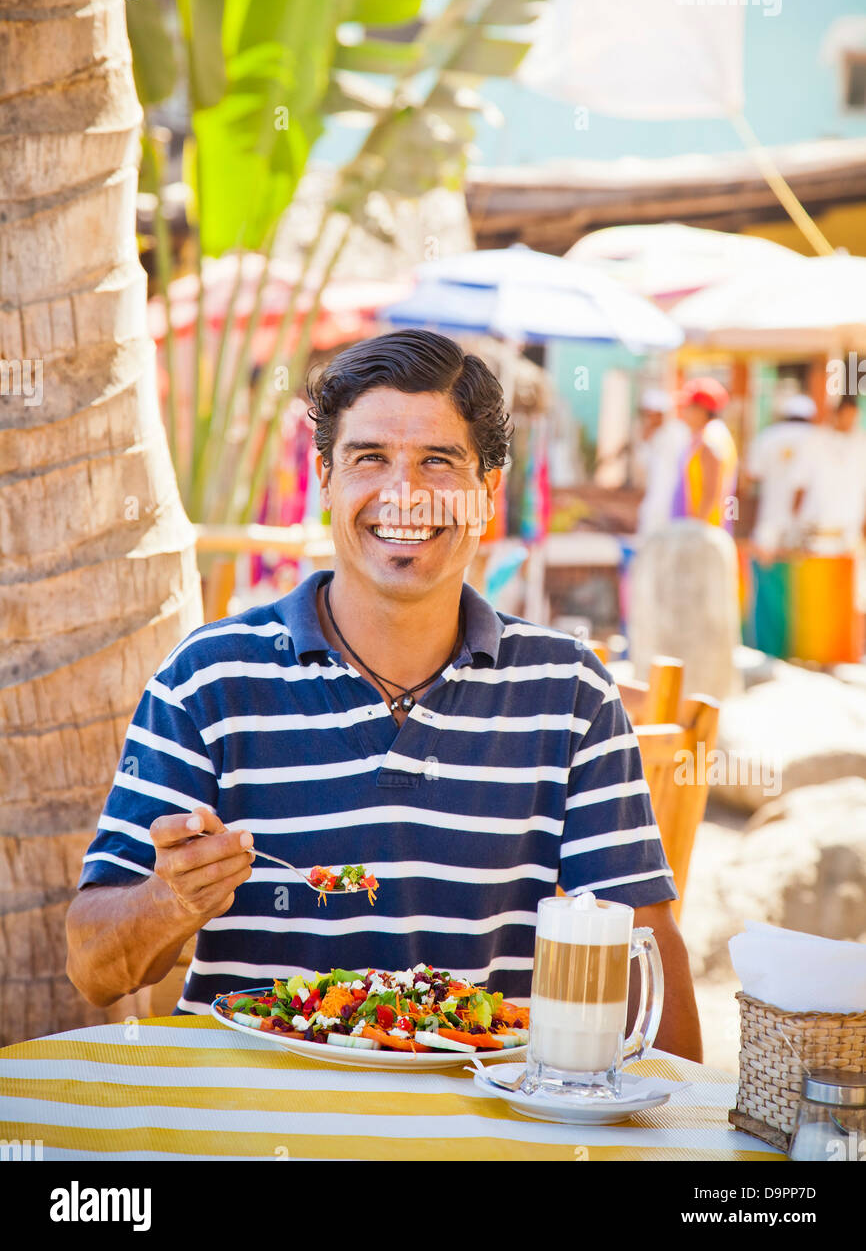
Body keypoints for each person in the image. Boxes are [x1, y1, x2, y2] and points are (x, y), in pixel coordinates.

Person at [66, 330, 702, 1060]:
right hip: (250, 1118)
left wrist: (680, 1129)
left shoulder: (568, 693)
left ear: (487, 493)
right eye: (370, 458)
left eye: (439, 461)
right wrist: (168, 900)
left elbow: (642, 948)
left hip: (483, 1126)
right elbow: (94, 970)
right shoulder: (208, 680)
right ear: (326, 481)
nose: (403, 493)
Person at [743, 393, 818, 561]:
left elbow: (752, 475)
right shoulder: (817, 438)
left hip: (771, 514)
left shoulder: (767, 436)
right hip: (806, 519)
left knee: (767, 567)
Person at [794, 396, 866, 555]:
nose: (850, 422)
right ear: (836, 414)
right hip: (817, 533)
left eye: (853, 417)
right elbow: (799, 486)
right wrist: (796, 527)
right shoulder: (814, 441)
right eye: (846, 416)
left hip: (850, 535)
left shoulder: (861, 443)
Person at [671, 377, 738, 531]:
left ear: (702, 409)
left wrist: (696, 530)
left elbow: (711, 494)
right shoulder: (708, 436)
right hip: (701, 528)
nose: (683, 413)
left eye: (688, 407)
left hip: (705, 531)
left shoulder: (710, 442)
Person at [634, 387, 689, 536]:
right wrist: (645, 440)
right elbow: (643, 465)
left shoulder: (678, 432)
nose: (649, 418)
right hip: (655, 497)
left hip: (673, 498)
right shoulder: (653, 434)